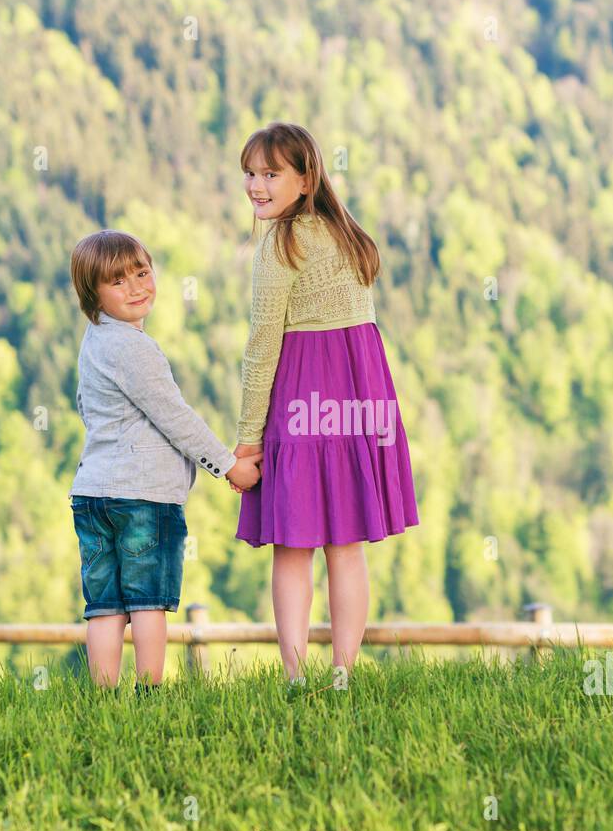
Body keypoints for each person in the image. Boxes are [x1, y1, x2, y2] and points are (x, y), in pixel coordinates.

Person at [232, 122, 420, 690]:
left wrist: (248, 437)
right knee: (346, 543)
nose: (256, 186)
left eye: (270, 174)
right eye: (250, 174)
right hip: (361, 395)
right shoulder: (348, 234)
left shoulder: (280, 244)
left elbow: (263, 343)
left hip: (302, 392)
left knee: (293, 545)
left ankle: (295, 678)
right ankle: (342, 674)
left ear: (305, 178)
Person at [68, 229, 263, 692]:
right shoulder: (134, 349)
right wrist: (228, 465)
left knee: (105, 605)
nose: (137, 287)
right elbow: (176, 418)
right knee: (148, 602)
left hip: (92, 494)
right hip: (142, 498)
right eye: (119, 282)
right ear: (92, 294)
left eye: (142, 273)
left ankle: (103, 696)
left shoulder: (94, 341)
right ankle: (150, 692)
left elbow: (84, 405)